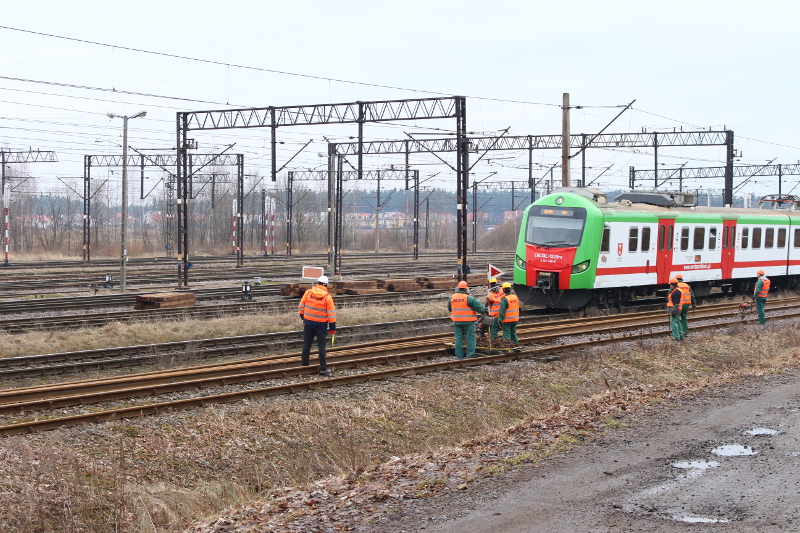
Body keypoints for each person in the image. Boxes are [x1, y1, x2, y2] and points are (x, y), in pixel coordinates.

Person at [298, 275, 336, 376]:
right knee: (321, 346)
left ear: (318, 283)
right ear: (326, 285)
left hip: (308, 323)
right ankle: (323, 368)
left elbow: (301, 307)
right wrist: (332, 328)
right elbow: (331, 314)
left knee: (306, 344)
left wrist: (303, 318)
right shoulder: (327, 297)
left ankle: (304, 366)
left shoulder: (308, 292)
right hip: (321, 325)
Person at [447, 280, 486, 359]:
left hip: (457, 322)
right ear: (465, 289)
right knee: (470, 339)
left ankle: (459, 356)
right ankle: (470, 356)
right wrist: (485, 311)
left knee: (458, 339)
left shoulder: (452, 297)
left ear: (458, 288)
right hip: (468, 322)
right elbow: (480, 308)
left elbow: (449, 308)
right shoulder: (469, 298)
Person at [675, 273, 696, 338]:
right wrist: (694, 304)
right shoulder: (687, 286)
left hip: (678, 305)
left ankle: (678, 332)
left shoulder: (675, 286)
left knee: (676, 318)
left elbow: (670, 295)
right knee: (684, 317)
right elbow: (692, 295)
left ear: (676, 279)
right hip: (686, 305)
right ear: (682, 279)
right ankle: (685, 331)